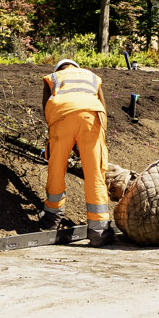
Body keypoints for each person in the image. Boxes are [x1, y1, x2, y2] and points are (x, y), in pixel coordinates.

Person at [40, 57, 114, 244]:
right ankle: (99, 232)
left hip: (61, 117)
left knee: (56, 167)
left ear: (60, 68)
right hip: (92, 118)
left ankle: (50, 221)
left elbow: (46, 109)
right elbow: (103, 107)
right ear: (76, 67)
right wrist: (92, 140)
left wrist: (64, 138)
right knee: (95, 173)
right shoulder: (91, 77)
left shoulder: (54, 77)